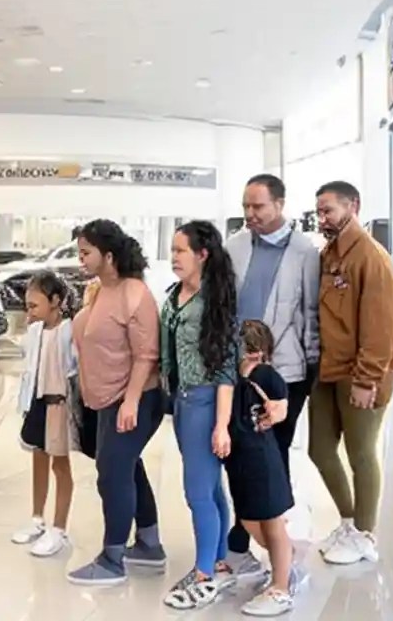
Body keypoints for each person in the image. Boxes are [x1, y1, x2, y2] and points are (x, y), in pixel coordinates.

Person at [223, 173, 320, 579]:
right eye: (246, 206)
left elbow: (311, 314)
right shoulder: (235, 246)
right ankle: (244, 539)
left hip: (286, 373)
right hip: (238, 370)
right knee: (241, 453)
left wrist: (311, 369)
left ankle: (268, 542)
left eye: (258, 206)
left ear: (279, 204)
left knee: (272, 454)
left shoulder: (305, 252)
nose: (250, 214)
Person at [66, 220, 165, 586]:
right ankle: (150, 545)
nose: (81, 259)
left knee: (112, 475)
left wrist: (131, 402)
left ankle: (112, 558)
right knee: (127, 468)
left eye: (86, 252)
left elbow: (146, 355)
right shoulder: (96, 290)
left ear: (108, 255)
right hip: (104, 399)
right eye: (79, 252)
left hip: (134, 399)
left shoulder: (135, 293)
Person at [310, 181, 393, 565]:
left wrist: (367, 379)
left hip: (361, 372)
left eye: (329, 210)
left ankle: (365, 534)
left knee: (361, 453)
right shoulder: (329, 255)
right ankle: (349, 522)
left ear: (354, 206)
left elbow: (382, 329)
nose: (323, 218)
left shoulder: (371, 257)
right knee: (319, 449)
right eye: (319, 211)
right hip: (328, 369)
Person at [160, 220, 238, 611]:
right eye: (172, 250)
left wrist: (221, 426)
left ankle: (205, 573)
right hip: (181, 402)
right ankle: (220, 561)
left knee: (197, 492)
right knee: (210, 489)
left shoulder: (216, 302)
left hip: (205, 404)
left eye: (180, 251)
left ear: (202, 254)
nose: (174, 257)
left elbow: (226, 370)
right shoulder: (175, 294)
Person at [227, 320, 297, 617]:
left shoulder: (265, 376)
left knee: (271, 523)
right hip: (243, 461)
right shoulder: (232, 378)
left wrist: (277, 412)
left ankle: (281, 585)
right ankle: (285, 566)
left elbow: (281, 405)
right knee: (252, 520)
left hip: (263, 460)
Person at [11, 272, 80, 558]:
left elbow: (76, 369)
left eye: (34, 305)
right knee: (39, 459)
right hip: (37, 404)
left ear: (55, 301)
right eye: (27, 306)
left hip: (60, 406)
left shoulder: (71, 330)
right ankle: (37, 518)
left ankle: (59, 528)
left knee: (60, 466)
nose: (30, 312)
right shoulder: (35, 331)